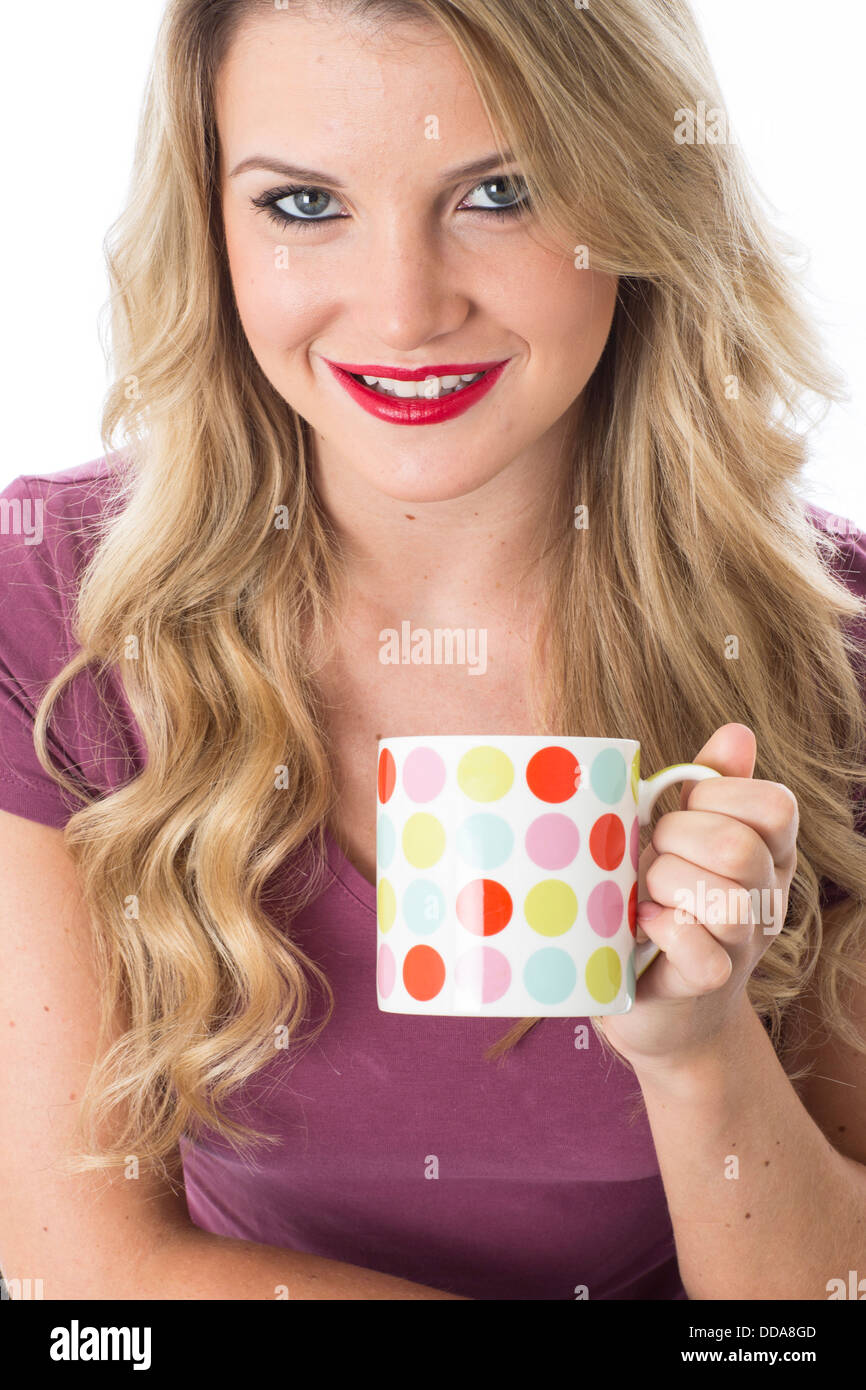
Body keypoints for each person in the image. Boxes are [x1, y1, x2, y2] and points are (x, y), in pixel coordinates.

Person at [1, 0, 865, 1302]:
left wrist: (698, 1048)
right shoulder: (50, 602)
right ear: (213, 224)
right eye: (302, 205)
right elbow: (80, 1266)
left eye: (500, 191)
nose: (403, 311)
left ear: (636, 196)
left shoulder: (830, 648)